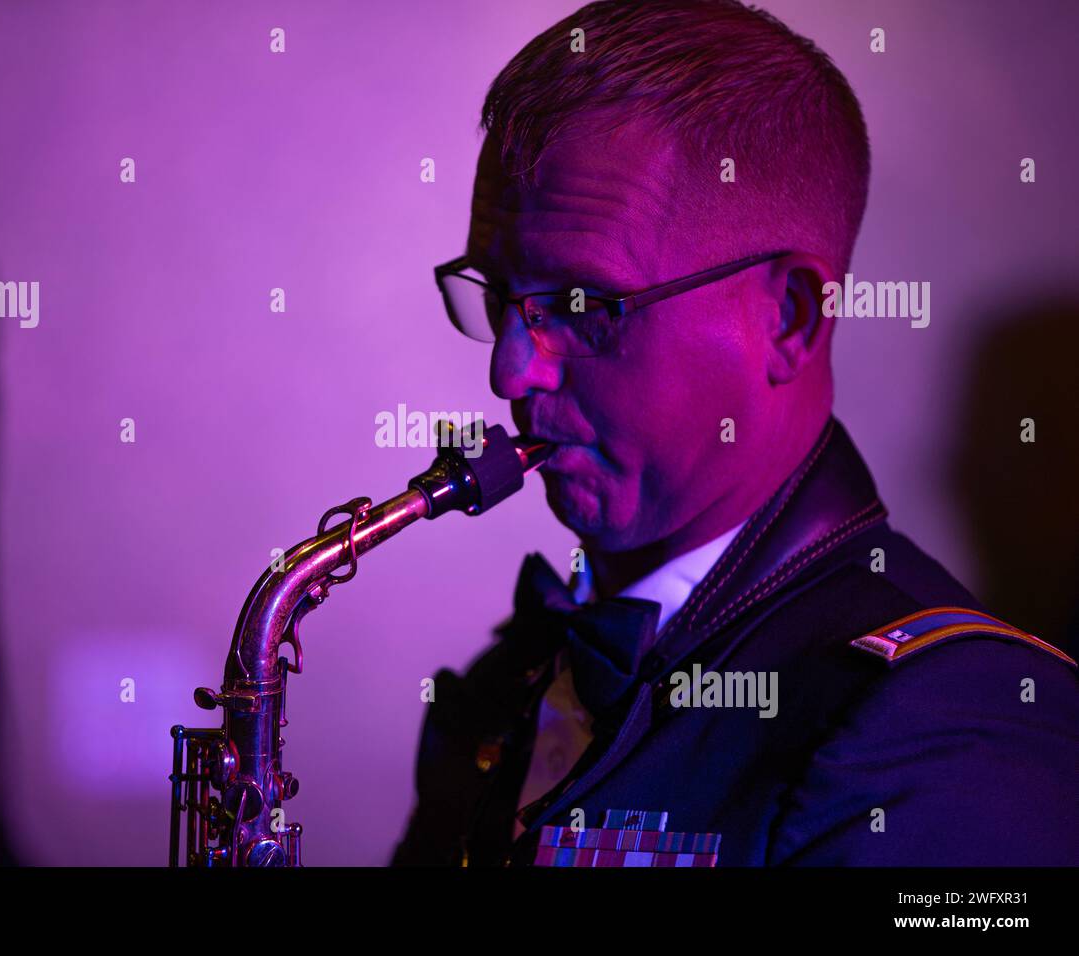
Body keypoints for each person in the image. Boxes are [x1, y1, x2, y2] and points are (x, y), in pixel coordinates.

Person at [392, 0, 1078, 866]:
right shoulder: (513, 679)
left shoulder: (959, 730)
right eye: (498, 297)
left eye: (581, 305)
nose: (511, 371)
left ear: (790, 319)